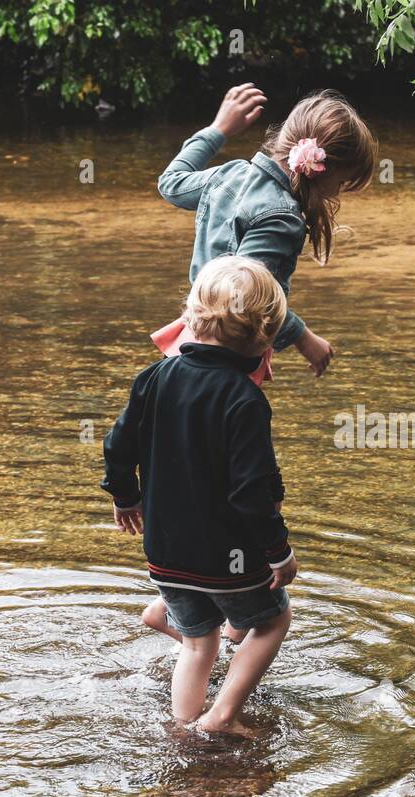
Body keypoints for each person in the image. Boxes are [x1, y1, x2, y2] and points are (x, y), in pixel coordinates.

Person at [102, 256, 297, 735]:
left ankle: (184, 724)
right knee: (272, 620)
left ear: (189, 316)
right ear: (265, 338)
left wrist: (126, 497)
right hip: (225, 554)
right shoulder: (244, 400)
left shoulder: (153, 378)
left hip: (166, 551)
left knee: (198, 643)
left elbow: (117, 444)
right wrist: (278, 553)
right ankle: (221, 716)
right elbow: (251, 491)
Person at [153, 83, 376, 383]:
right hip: (227, 358)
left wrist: (217, 129)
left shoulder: (230, 175)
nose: (338, 193)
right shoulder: (281, 217)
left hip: (191, 343)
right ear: (323, 168)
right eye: (343, 183)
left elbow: (171, 182)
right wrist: (304, 337)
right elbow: (248, 298)